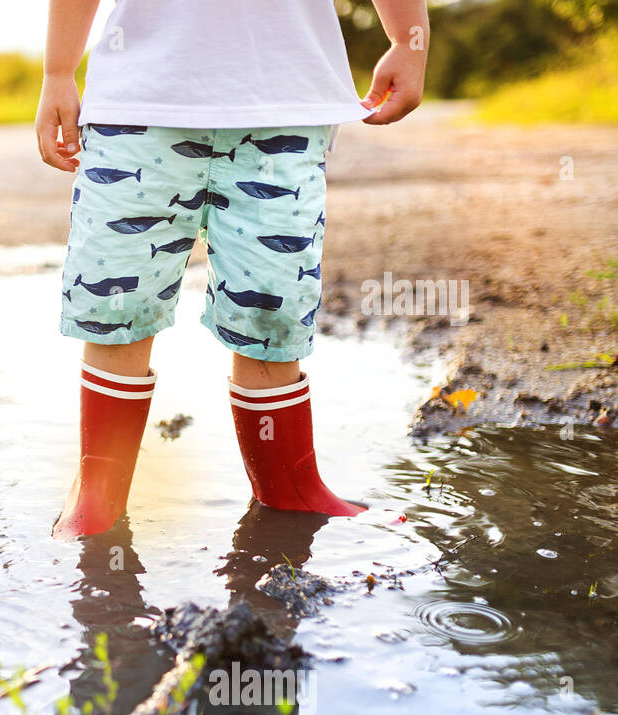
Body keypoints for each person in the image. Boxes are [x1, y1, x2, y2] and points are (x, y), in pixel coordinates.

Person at [38, 0, 428, 539]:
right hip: (137, 104)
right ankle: (96, 497)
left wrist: (410, 39)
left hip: (285, 101)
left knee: (272, 303)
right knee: (116, 304)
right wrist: (58, 71)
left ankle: (289, 490)